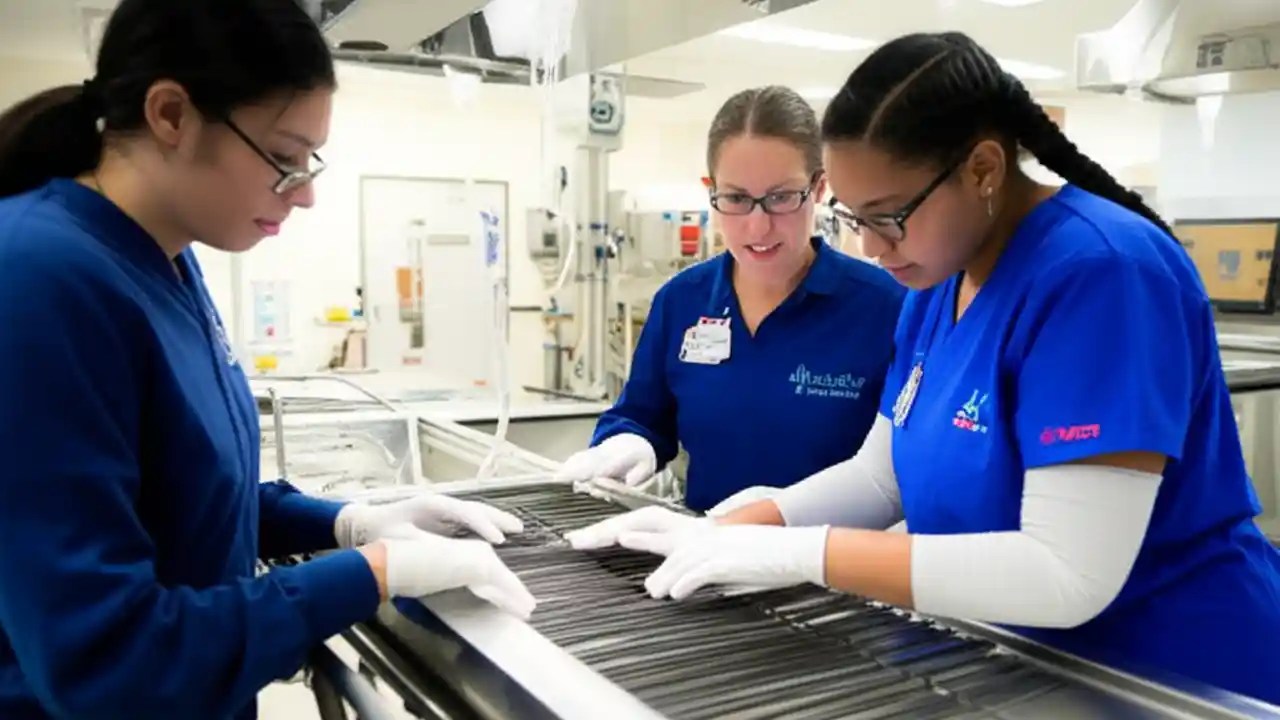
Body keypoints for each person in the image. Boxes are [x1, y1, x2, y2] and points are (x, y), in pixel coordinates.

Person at [564, 32, 1280, 706]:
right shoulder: (937, 281)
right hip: (1020, 660)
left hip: (1172, 677)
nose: (872, 249)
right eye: (856, 219)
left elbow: (1068, 574)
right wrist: (729, 529)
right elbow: (882, 477)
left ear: (983, 170)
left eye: (889, 216)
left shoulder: (1101, 274)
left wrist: (799, 554)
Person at [0, 1, 535, 718]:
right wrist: (371, 573)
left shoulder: (166, 261)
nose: (305, 193)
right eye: (285, 159)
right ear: (171, 115)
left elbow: (183, 496)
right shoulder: (38, 277)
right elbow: (106, 663)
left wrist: (346, 523)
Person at [557, 85, 905, 514]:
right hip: (701, 544)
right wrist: (629, 441)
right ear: (711, 189)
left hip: (833, 552)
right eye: (736, 198)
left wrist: (786, 520)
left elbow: (902, 475)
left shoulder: (886, 309)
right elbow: (642, 415)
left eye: (781, 198)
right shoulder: (682, 302)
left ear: (818, 189)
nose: (758, 227)